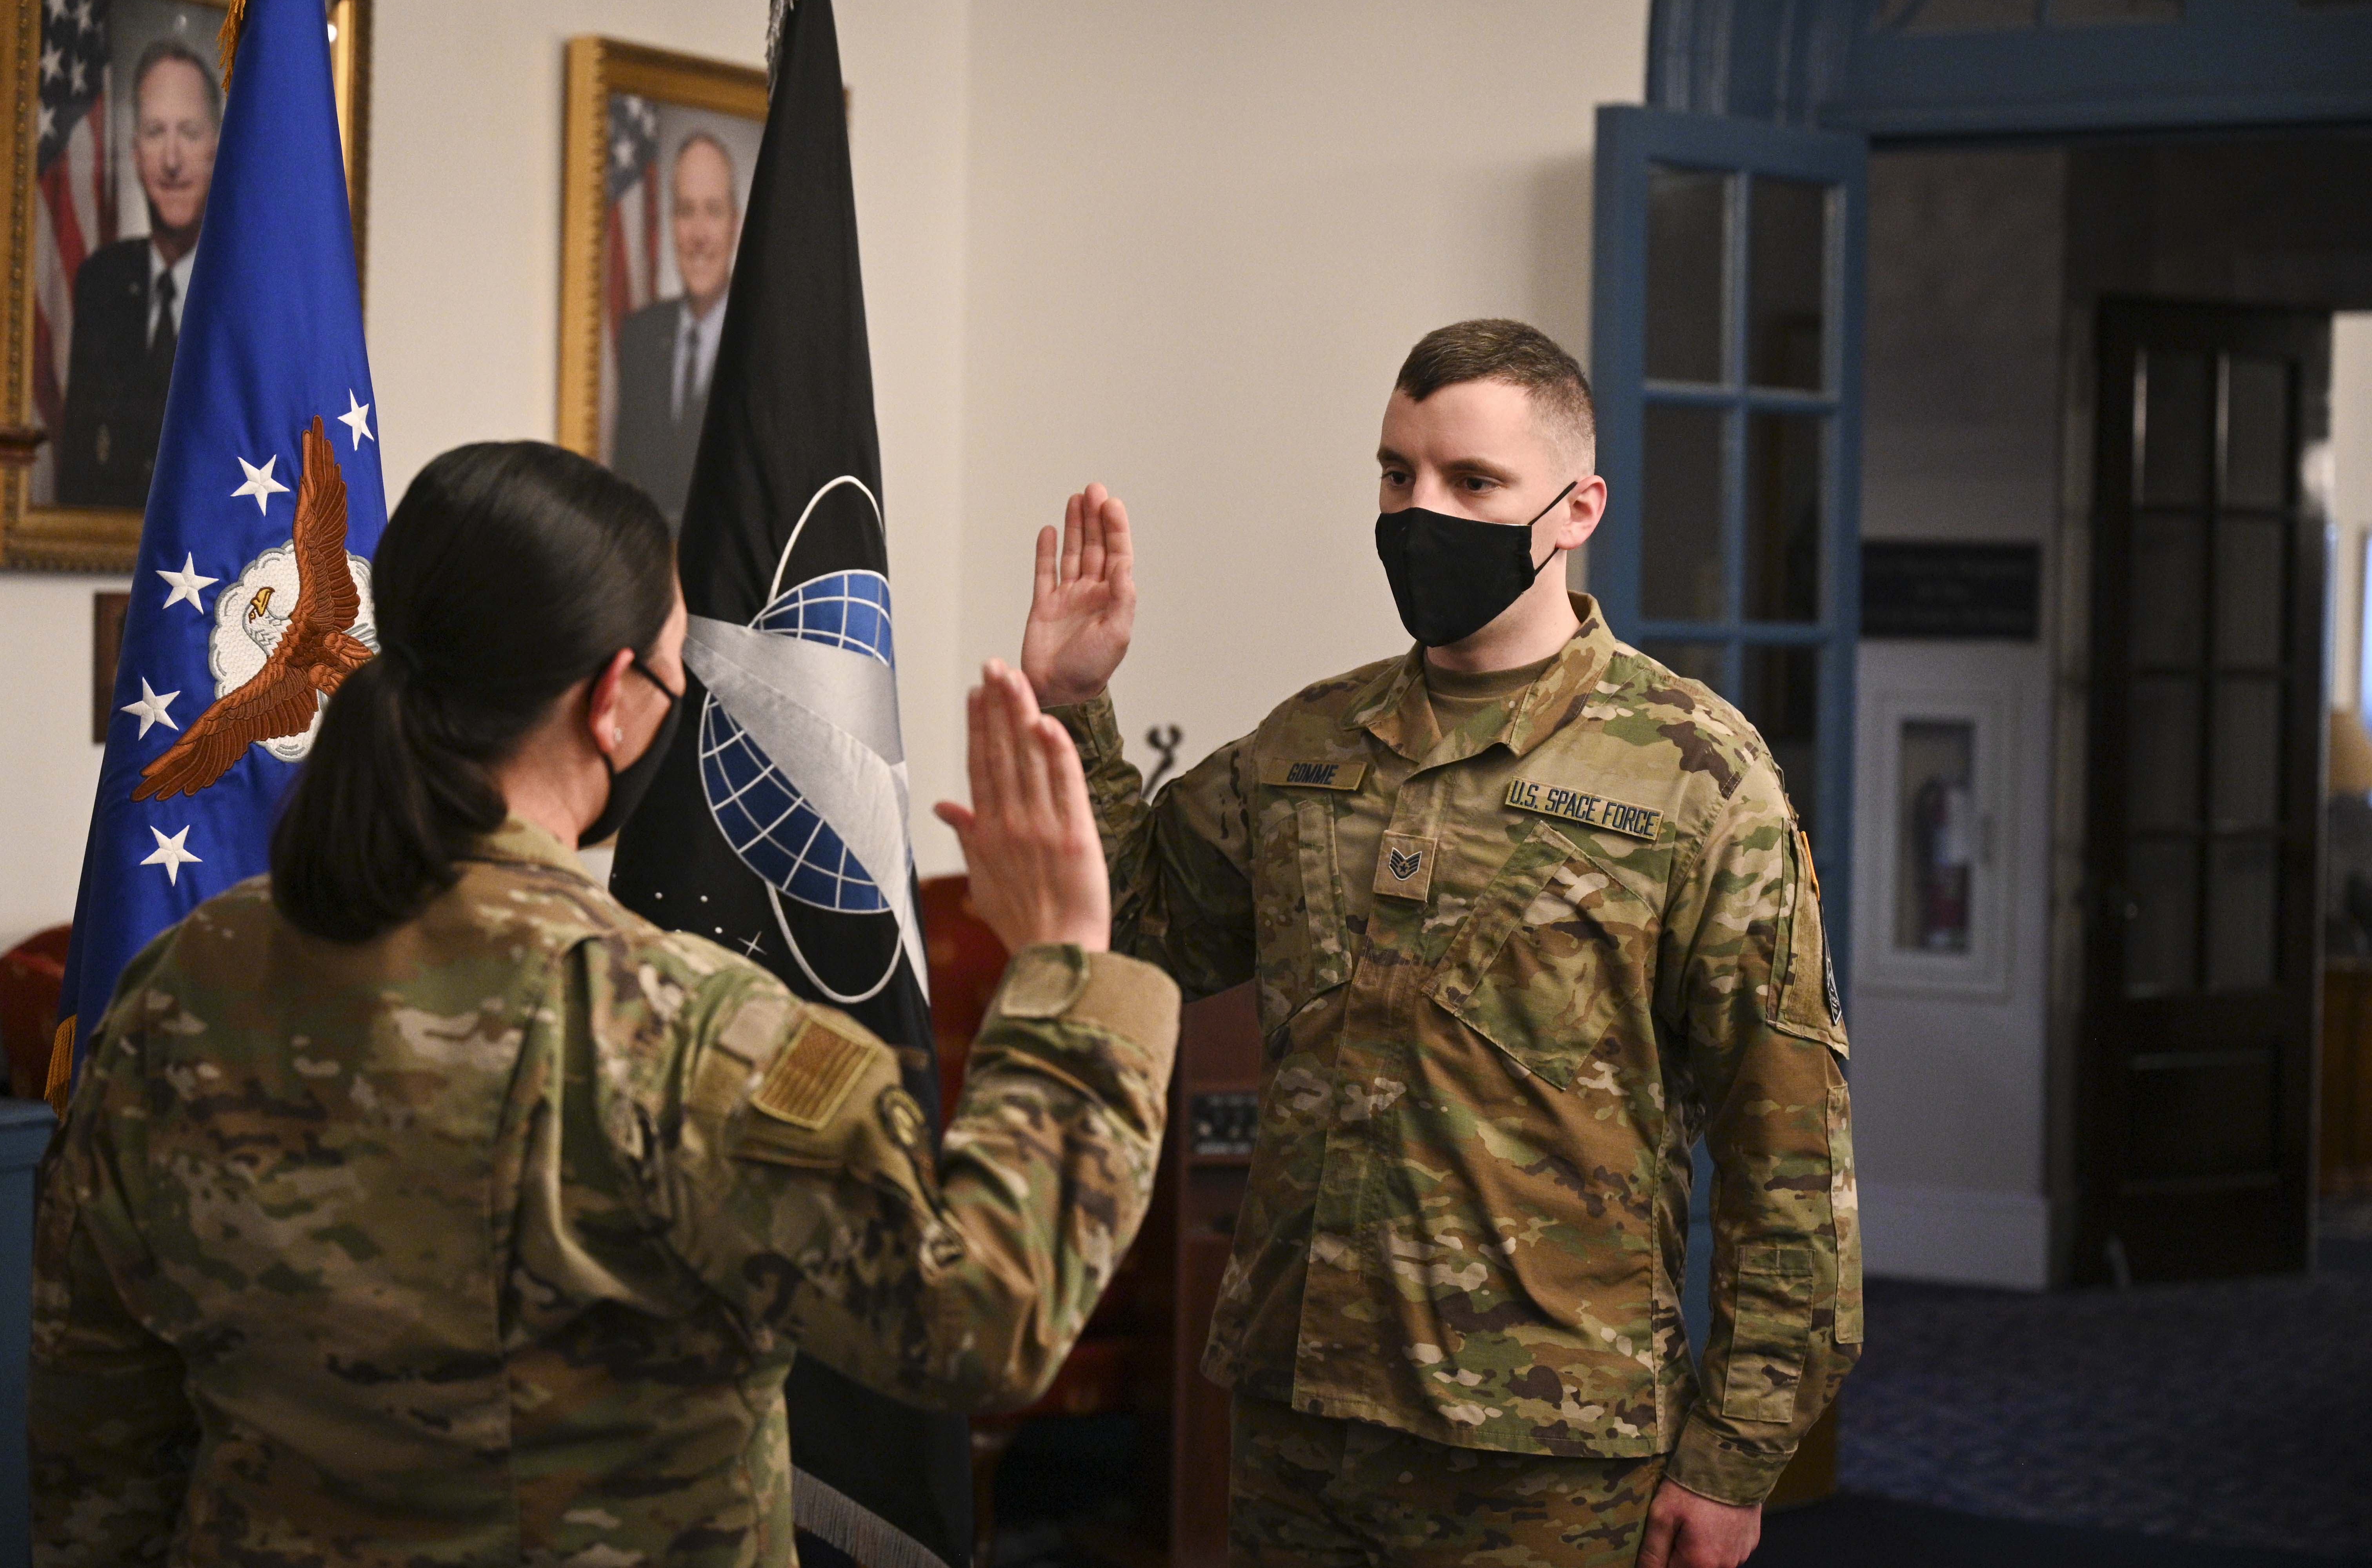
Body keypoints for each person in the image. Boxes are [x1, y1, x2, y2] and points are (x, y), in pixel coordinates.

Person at [31, 443, 1179, 1565]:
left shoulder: (182, 981)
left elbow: (98, 1406)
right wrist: (1066, 967)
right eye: (677, 669)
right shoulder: (679, 1028)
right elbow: (979, 1321)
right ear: (615, 701)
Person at [1020, 320, 1860, 1568]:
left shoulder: (1694, 772)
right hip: (1301, 1417)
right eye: (1396, 474)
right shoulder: (1310, 743)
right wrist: (1077, 704)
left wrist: (1736, 1457)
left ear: (1577, 510)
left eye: (1473, 484)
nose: (1422, 512)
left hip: (1547, 1450)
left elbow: (1788, 1147)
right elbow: (1138, 928)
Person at [56, 40, 220, 509]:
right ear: (135, 154)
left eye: (189, 132)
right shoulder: (101, 284)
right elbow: (79, 472)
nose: (171, 160)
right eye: (154, 132)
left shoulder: (247, 297)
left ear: (217, 149)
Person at [611, 131, 740, 530]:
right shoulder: (640, 337)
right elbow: (624, 484)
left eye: (713, 211)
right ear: (670, 222)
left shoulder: (765, 346)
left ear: (735, 224)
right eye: (686, 210)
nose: (699, 235)